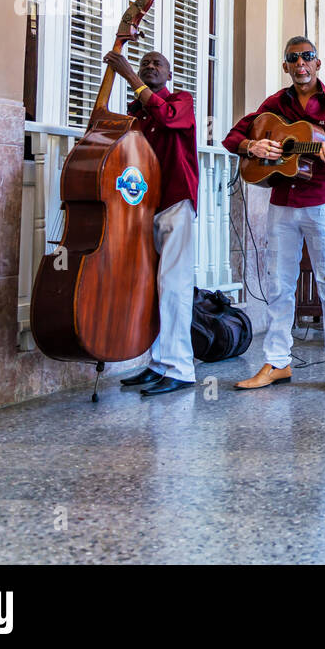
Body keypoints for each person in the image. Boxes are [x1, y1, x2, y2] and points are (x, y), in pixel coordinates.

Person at [222, 36, 325, 395]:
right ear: (286, 66)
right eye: (293, 58)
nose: (301, 63)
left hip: (321, 203)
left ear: (318, 63)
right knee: (279, 286)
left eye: (307, 57)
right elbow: (233, 135)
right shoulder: (275, 104)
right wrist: (251, 145)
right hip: (282, 202)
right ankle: (277, 362)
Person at [103, 49, 200, 397]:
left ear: (169, 72)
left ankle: (180, 369)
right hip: (143, 207)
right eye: (144, 63)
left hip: (175, 200)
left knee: (174, 284)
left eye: (157, 63)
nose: (150, 66)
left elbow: (171, 119)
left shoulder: (180, 101)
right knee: (152, 286)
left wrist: (131, 76)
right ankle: (158, 364)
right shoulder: (135, 116)